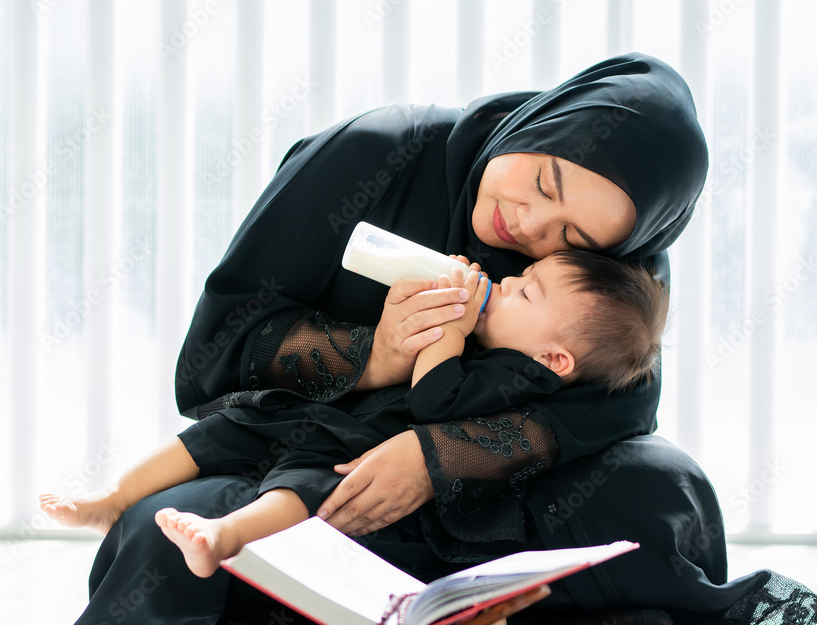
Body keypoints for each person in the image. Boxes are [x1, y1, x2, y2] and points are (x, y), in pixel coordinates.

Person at [74, 54, 815, 625]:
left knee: (659, 481)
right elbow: (218, 351)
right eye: (544, 183)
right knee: (176, 526)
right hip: (312, 454)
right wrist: (375, 356)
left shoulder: (622, 262)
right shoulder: (376, 153)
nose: (529, 226)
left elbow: (620, 401)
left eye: (572, 239)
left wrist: (438, 457)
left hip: (489, 482)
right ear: (542, 122)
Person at [42, 252, 668, 578]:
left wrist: (449, 332)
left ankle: (224, 537)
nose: (505, 283)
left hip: (356, 452)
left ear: (555, 359)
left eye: (525, 292)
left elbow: (435, 401)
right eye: (522, 275)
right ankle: (114, 499)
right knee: (229, 426)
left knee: (304, 487)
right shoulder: (510, 349)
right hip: (338, 420)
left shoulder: (520, 377)